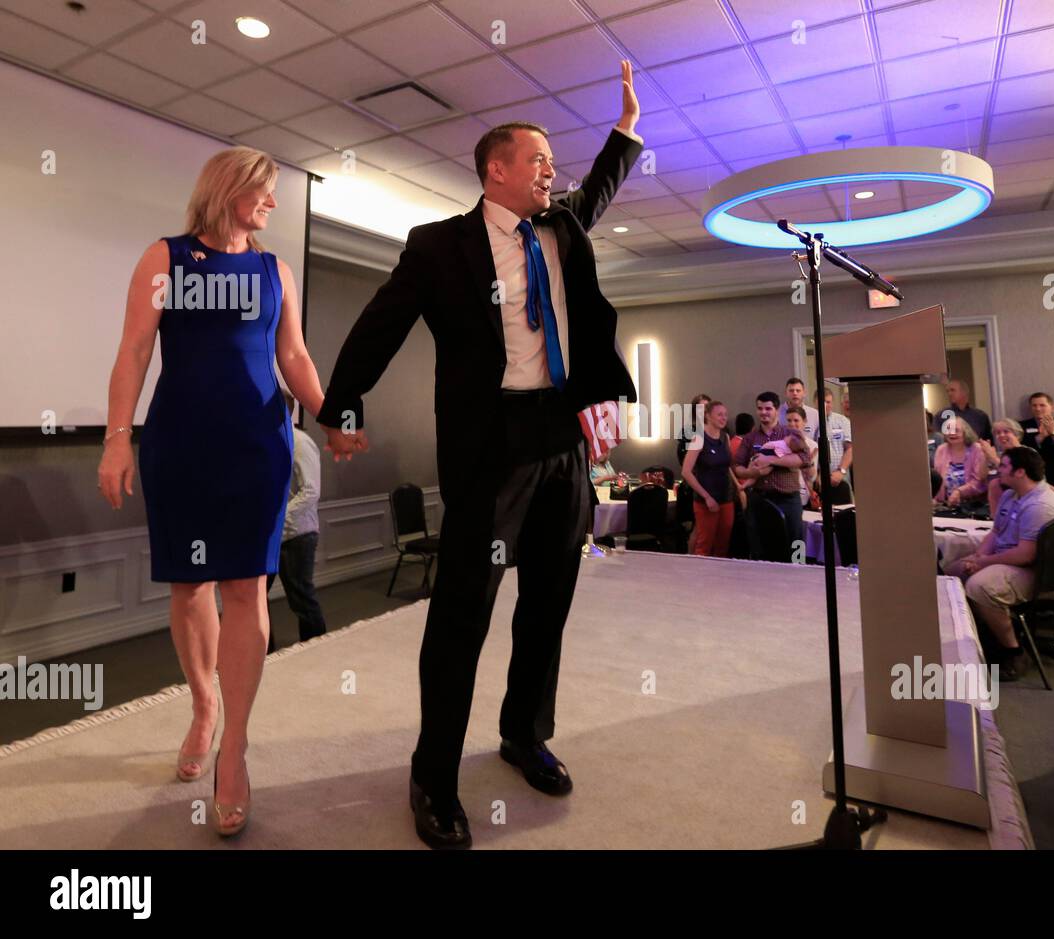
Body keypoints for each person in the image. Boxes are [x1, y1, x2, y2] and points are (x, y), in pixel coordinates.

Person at [317, 62, 644, 850]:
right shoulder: (438, 247)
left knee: (549, 602)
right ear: (495, 170)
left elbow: (596, 188)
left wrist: (626, 128)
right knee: (463, 614)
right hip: (486, 450)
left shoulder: (562, 228)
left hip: (562, 440)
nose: (550, 172)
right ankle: (433, 774)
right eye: (537, 160)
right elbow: (378, 325)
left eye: (551, 165)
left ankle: (524, 732)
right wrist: (344, 403)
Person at [97, 147, 327, 838]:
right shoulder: (165, 259)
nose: (275, 204)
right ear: (229, 189)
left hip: (257, 447)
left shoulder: (272, 269)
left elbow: (294, 356)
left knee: (246, 589)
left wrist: (333, 412)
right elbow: (135, 350)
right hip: (182, 445)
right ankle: (204, 706)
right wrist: (115, 437)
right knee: (190, 587)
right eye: (265, 191)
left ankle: (236, 747)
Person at [943, 447, 1054, 680]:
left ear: (1020, 472)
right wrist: (977, 558)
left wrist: (984, 563)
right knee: (951, 574)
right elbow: (996, 533)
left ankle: (1014, 651)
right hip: (1014, 562)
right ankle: (979, 643)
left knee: (980, 586)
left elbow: (1025, 555)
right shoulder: (1011, 495)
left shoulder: (1040, 504)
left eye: (1003, 466)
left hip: (1039, 572)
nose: (997, 469)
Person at [267, 390, 327, 651]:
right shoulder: (271, 442)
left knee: (301, 599)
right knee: (254, 597)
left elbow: (311, 491)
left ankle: (316, 649)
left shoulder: (300, 443)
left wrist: (278, 516)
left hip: (297, 536)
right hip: (270, 536)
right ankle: (262, 652)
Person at [734, 392, 810, 560]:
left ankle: (799, 581)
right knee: (760, 549)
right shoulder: (750, 437)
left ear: (777, 410)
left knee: (795, 548)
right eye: (760, 408)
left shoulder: (790, 434)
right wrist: (751, 473)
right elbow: (737, 467)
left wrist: (771, 460)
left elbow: (804, 458)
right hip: (760, 500)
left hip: (788, 499)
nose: (764, 412)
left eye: (768, 408)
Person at [681, 400, 742, 557]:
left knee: (723, 544)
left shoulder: (725, 437)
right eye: (719, 415)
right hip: (706, 500)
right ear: (708, 416)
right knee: (705, 544)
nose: (724, 418)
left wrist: (739, 487)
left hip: (726, 498)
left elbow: (729, 467)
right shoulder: (699, 438)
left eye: (725, 415)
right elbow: (686, 472)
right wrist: (706, 497)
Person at [932, 417, 987, 509]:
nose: (952, 433)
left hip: (973, 505)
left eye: (956, 430)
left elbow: (979, 481)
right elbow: (938, 478)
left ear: (965, 432)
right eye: (948, 430)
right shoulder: (941, 449)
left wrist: (959, 491)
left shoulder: (977, 449)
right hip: (945, 505)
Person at [980, 418, 1023, 515]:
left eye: (1006, 431)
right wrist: (986, 457)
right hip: (997, 505)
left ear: (1017, 434)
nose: (1001, 435)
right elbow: (981, 477)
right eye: (998, 433)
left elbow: (1014, 475)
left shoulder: (1026, 453)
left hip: (1021, 504)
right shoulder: (999, 455)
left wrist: (993, 458)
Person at [820, 387, 853, 505]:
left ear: (832, 403)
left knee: (844, 516)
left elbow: (850, 449)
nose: (825, 405)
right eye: (822, 401)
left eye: (828, 402)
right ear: (815, 402)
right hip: (819, 481)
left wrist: (841, 471)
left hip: (840, 478)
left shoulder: (842, 421)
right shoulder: (811, 421)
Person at [778, 377, 819, 445]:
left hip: (810, 453)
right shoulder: (777, 413)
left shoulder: (815, 414)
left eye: (798, 390)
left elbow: (818, 441)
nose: (795, 393)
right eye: (791, 390)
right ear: (785, 393)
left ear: (804, 393)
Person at [676, 393, 711, 466]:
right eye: (701, 408)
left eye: (707, 407)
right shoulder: (688, 432)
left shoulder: (719, 431)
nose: (705, 410)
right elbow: (685, 462)